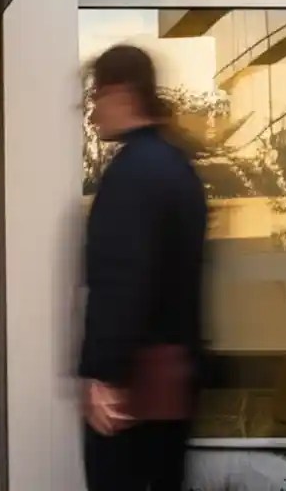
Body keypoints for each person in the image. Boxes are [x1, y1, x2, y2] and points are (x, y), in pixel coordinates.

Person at [80, 44, 208, 491]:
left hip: (136, 389)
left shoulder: (133, 174)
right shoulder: (178, 168)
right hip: (174, 383)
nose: (93, 113)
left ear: (122, 93)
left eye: (96, 98)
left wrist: (105, 374)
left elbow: (123, 278)